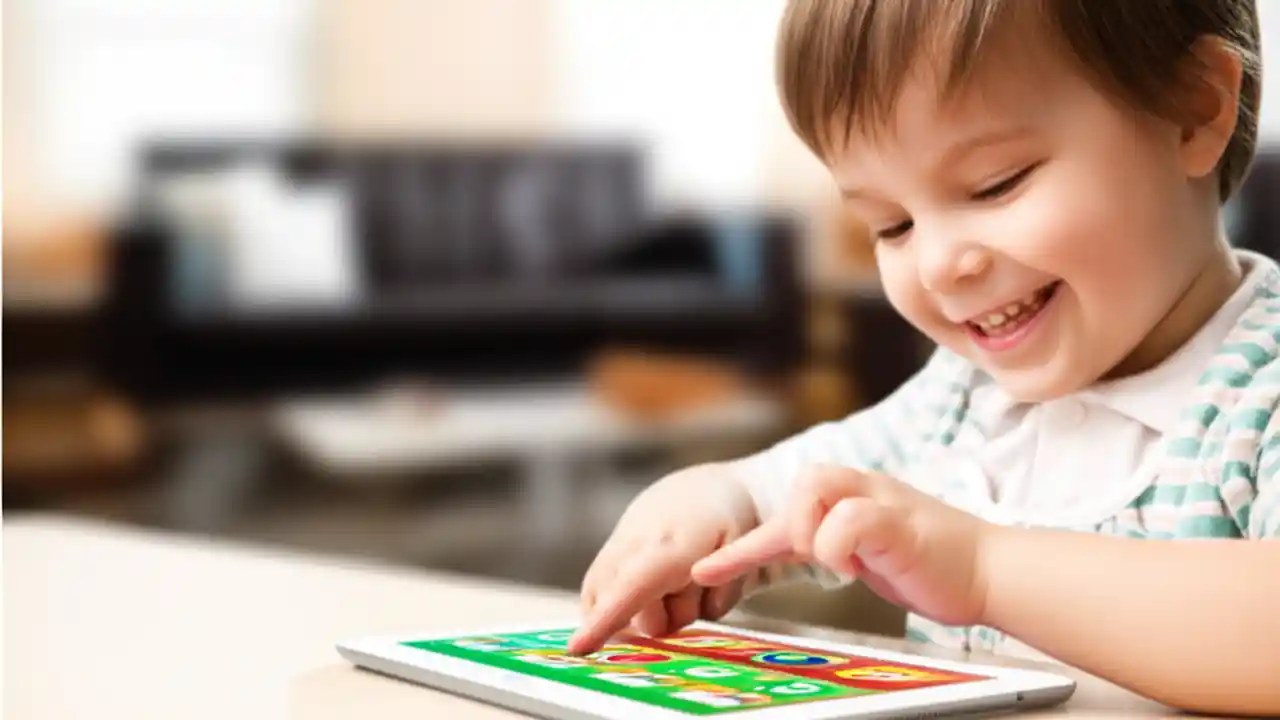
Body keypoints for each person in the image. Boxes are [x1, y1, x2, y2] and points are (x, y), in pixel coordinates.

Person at [569, 0, 1280, 714]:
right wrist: (701, 507)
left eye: (995, 183)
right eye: (893, 225)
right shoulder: (964, 401)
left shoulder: (1261, 387)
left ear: (1195, 109)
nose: (938, 266)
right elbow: (788, 492)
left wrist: (981, 570)